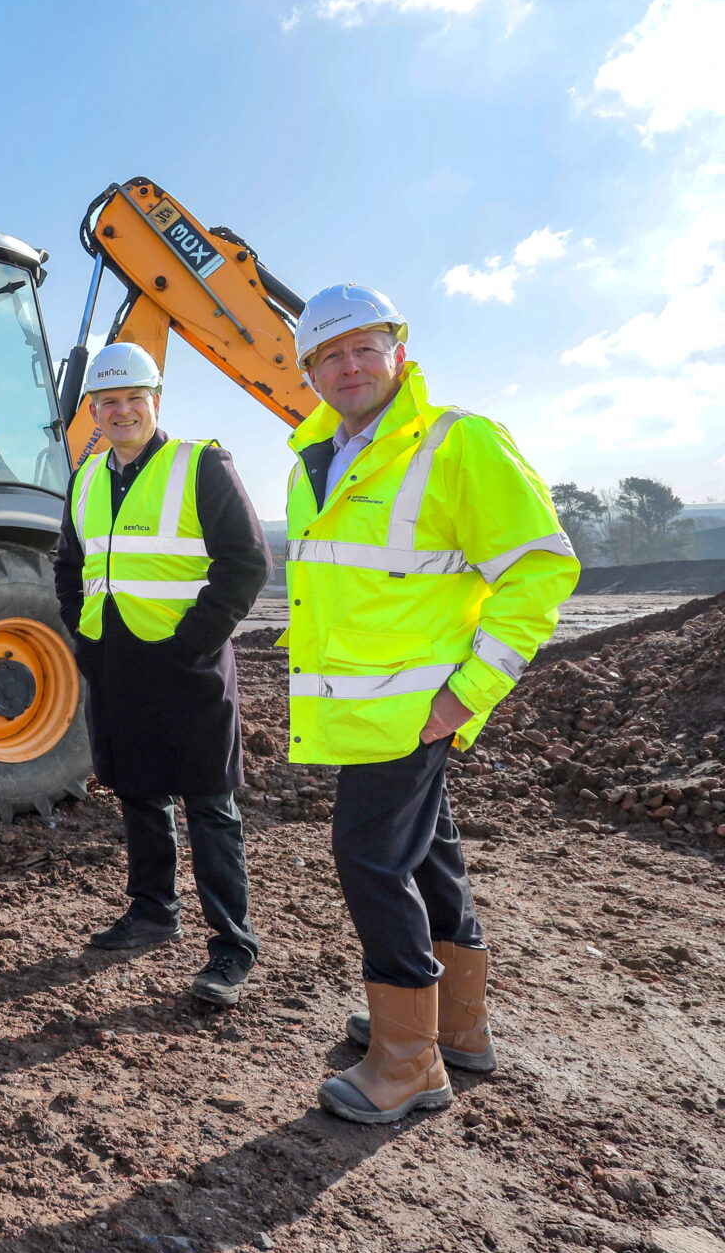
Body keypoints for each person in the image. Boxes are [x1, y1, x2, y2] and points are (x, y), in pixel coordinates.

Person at [285, 285, 578, 1124]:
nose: (349, 366)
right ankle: (456, 1024)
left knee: (370, 859)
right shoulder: (315, 460)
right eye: (330, 355)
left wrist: (466, 692)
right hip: (366, 709)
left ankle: (408, 1062)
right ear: (309, 372)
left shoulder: (458, 440)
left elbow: (539, 570)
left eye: (364, 348)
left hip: (415, 708)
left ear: (399, 354)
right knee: (427, 852)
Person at [54, 343, 271, 1006]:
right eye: (108, 402)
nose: (121, 411)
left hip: (187, 664)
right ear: (93, 410)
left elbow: (247, 563)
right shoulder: (86, 478)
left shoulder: (201, 465)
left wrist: (194, 642)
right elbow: (69, 566)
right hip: (115, 659)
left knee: (209, 804)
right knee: (138, 792)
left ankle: (231, 946)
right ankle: (153, 911)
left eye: (133, 399)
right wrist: (83, 635)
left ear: (155, 401)